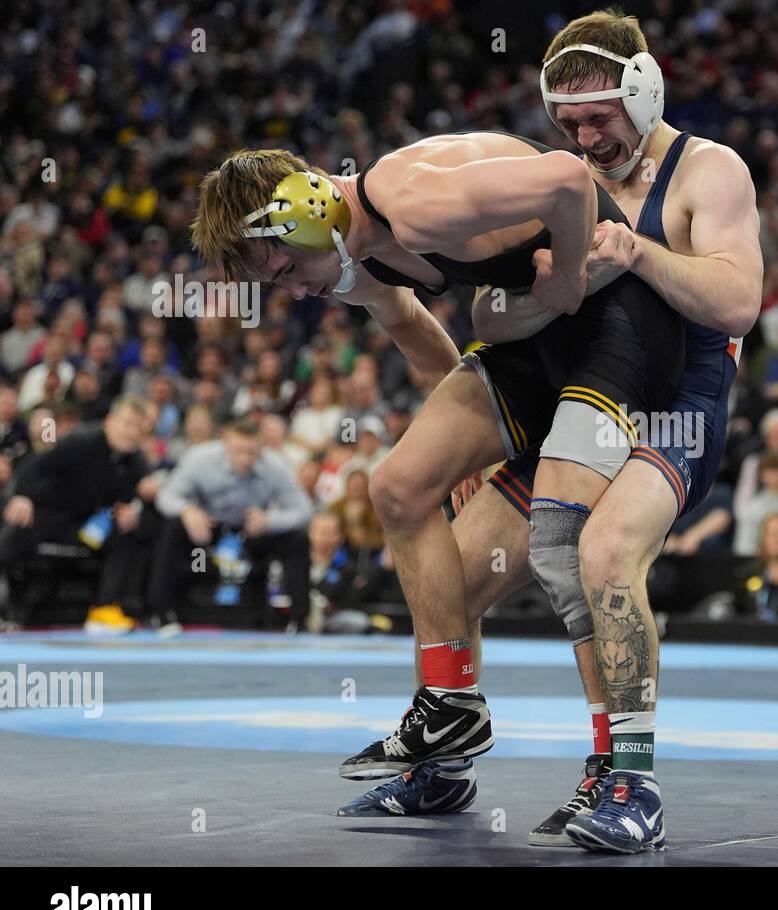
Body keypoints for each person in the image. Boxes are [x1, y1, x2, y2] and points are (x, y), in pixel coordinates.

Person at [343, 11, 762, 853]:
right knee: (451, 581)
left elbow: (737, 303)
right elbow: (492, 310)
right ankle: (450, 755)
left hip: (673, 403)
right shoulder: (549, 178)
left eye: (598, 116)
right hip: (570, 397)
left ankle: (629, 782)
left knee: (599, 553)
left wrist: (638, 255)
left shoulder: (705, 172)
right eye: (567, 122)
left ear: (644, 92)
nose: (583, 135)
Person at [192, 118, 687, 789]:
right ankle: (450, 714)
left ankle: (616, 766)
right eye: (276, 282)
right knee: (401, 488)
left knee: (561, 542)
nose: (297, 290)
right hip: (531, 345)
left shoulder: (413, 198)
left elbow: (569, 178)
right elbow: (410, 326)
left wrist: (569, 274)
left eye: (288, 268)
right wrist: (467, 452)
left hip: (619, 330)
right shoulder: (347, 255)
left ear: (312, 211)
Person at [0, 396, 153, 628]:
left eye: (138, 427)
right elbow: (36, 466)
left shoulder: (135, 459)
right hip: (43, 514)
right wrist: (21, 496)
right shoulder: (81, 440)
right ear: (110, 421)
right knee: (12, 535)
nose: (131, 432)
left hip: (82, 525)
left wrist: (129, 508)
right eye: (127, 423)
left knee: (127, 536)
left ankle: (104, 609)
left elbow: (131, 494)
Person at [150, 417, 314, 631]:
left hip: (252, 531)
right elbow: (166, 496)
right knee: (173, 528)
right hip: (207, 531)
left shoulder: (275, 465)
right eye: (238, 451)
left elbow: (303, 509)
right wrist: (188, 511)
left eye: (252, 452)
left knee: (297, 539)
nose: (245, 459)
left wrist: (270, 521)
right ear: (224, 443)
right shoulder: (200, 458)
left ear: (261, 446)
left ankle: (299, 620)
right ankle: (161, 613)